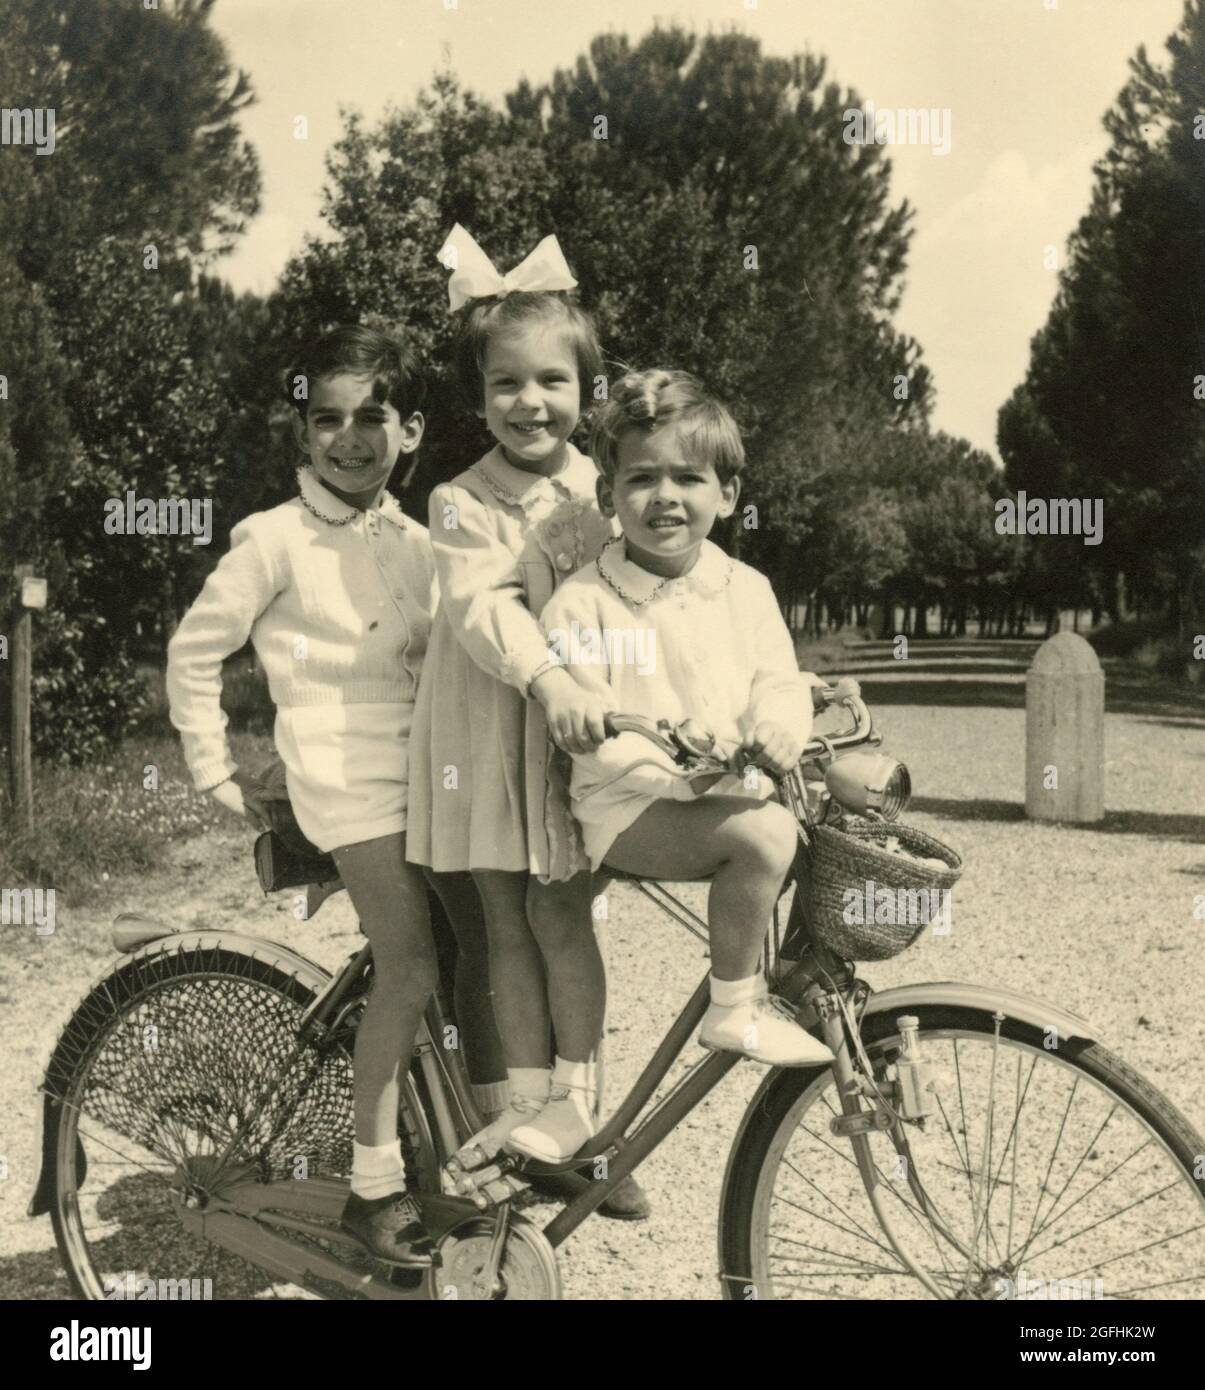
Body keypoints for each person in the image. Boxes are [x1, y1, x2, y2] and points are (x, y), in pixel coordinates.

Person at [166, 324, 471, 1266]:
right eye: (326, 419)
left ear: (410, 430)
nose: (349, 437)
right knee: (412, 966)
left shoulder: (421, 543)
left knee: (479, 950)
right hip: (343, 779)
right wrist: (216, 770)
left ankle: (458, 1151)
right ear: (303, 435)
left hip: (424, 776)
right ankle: (372, 1192)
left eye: (371, 417)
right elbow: (192, 649)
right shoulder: (275, 539)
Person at [517, 369, 835, 1160]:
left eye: (688, 478)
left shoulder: (746, 589)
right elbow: (586, 718)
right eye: (641, 478)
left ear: (726, 494)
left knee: (789, 827)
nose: (665, 497)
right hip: (621, 806)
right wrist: (612, 726)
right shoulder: (584, 602)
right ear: (606, 497)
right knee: (763, 838)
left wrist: (778, 726)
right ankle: (729, 1005)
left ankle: (747, 998)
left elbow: (778, 680)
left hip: (714, 793)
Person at [406, 227, 650, 1209]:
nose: (529, 402)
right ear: (477, 399)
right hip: (480, 738)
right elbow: (477, 613)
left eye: (551, 381)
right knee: (500, 925)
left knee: (568, 915)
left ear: (585, 394)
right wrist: (549, 677)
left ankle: (576, 1111)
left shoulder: (606, 492)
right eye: (504, 384)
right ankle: (511, 1124)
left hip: (564, 748)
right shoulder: (460, 502)